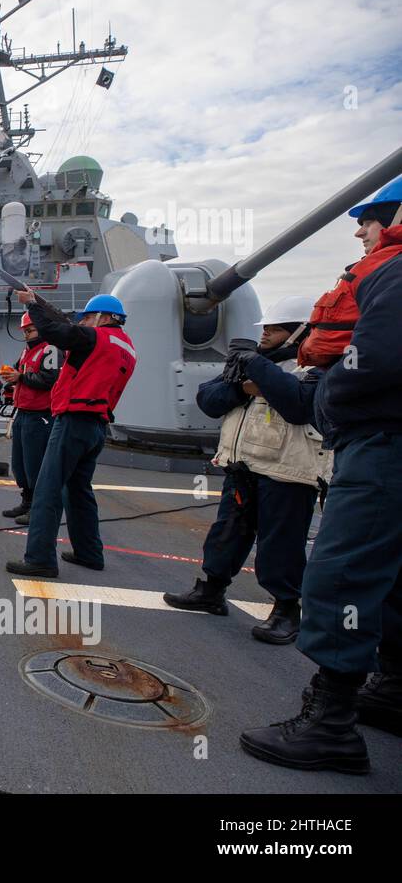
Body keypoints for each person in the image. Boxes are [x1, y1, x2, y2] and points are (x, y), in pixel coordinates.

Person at [240, 177, 402, 774]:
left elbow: (380, 354)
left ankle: (330, 722)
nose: (360, 232)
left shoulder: (395, 269)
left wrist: (326, 397)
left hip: (381, 442)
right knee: (395, 576)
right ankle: (393, 689)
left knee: (344, 574)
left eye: (369, 220)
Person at [163, 296, 331, 645]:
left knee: (280, 544)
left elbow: (299, 407)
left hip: (289, 471)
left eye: (274, 329)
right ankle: (211, 590)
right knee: (228, 532)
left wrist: (258, 368)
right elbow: (208, 400)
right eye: (265, 328)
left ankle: (287, 609)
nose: (265, 334)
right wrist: (241, 384)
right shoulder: (254, 365)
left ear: (299, 333)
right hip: (244, 466)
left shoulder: (319, 368)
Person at [5, 293, 137, 577]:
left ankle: (39, 558)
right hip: (97, 426)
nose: (85, 323)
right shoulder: (128, 347)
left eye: (89, 317)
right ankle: (89, 552)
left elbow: (54, 332)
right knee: (78, 491)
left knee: (48, 489)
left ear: (106, 317)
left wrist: (31, 304)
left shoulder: (95, 338)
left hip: (73, 421)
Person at [0, 312, 60, 526]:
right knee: (20, 463)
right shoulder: (27, 351)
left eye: (30, 330)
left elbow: (49, 379)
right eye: (25, 331)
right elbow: (20, 371)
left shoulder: (50, 349)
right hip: (23, 412)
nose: (26, 335)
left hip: (40, 415)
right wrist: (11, 376)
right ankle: (27, 501)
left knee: (35, 463)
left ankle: (37, 507)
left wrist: (21, 377)